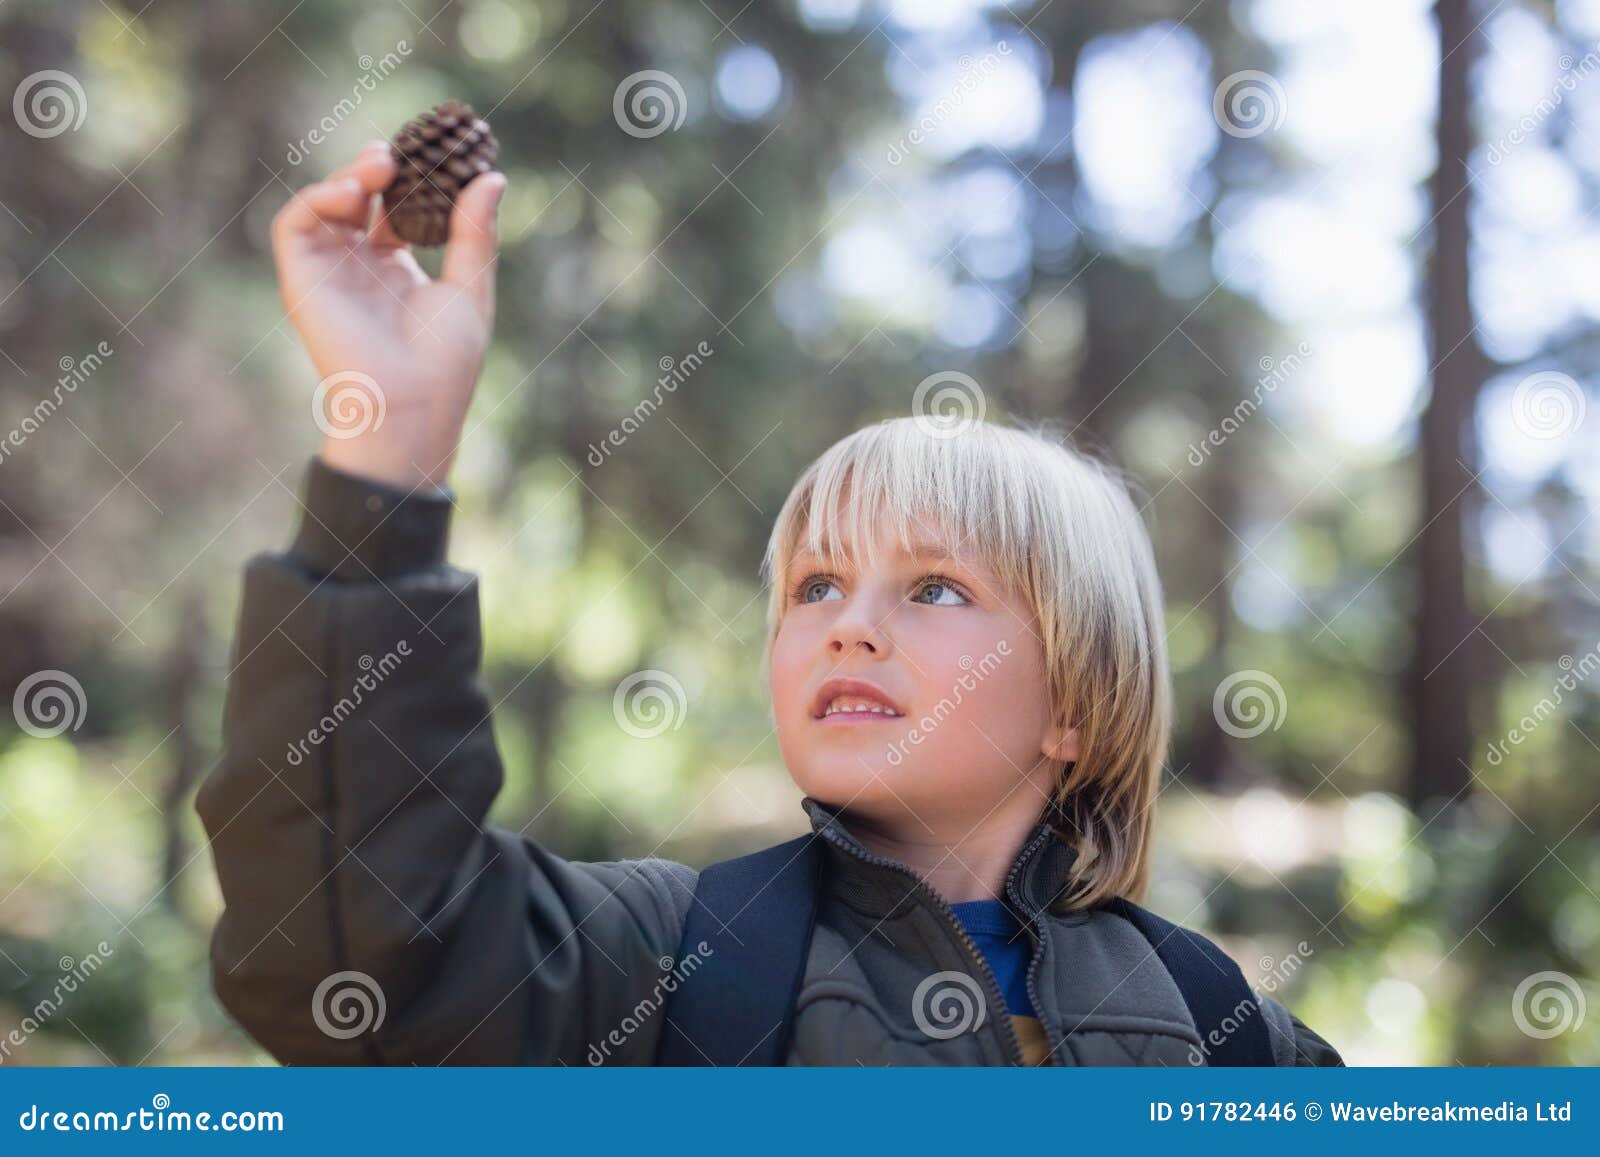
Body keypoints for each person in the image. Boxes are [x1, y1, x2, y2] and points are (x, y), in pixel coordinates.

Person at [195, 141, 1342, 1067]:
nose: (849, 623)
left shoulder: (1226, 1034)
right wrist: (389, 445)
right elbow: (350, 944)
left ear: (1074, 708)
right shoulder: (659, 963)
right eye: (816, 584)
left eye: (936, 586)